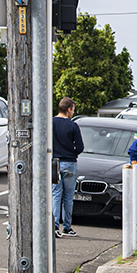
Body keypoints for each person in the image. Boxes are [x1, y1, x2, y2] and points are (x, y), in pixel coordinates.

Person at [51, 98, 83, 238]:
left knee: (56, 195)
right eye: (73, 110)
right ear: (69, 109)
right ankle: (67, 227)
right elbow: (80, 147)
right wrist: (72, 152)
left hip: (55, 162)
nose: (73, 112)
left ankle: (54, 225)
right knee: (68, 197)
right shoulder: (73, 126)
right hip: (69, 162)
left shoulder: (51, 122)